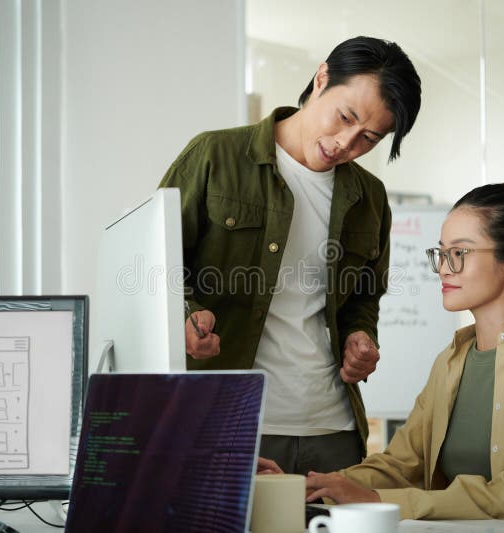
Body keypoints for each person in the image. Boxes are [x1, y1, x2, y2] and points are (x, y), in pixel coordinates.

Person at [259, 183, 504, 525]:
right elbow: (401, 464)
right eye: (442, 253)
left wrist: (376, 500)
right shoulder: (452, 361)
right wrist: (311, 486)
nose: (444, 268)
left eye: (460, 253)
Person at [158, 36, 422, 474]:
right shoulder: (214, 156)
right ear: (321, 79)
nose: (345, 143)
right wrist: (186, 313)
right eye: (345, 117)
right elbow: (158, 264)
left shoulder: (369, 196)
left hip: (333, 430)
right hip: (227, 423)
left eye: (369, 138)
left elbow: (363, 298)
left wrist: (361, 337)